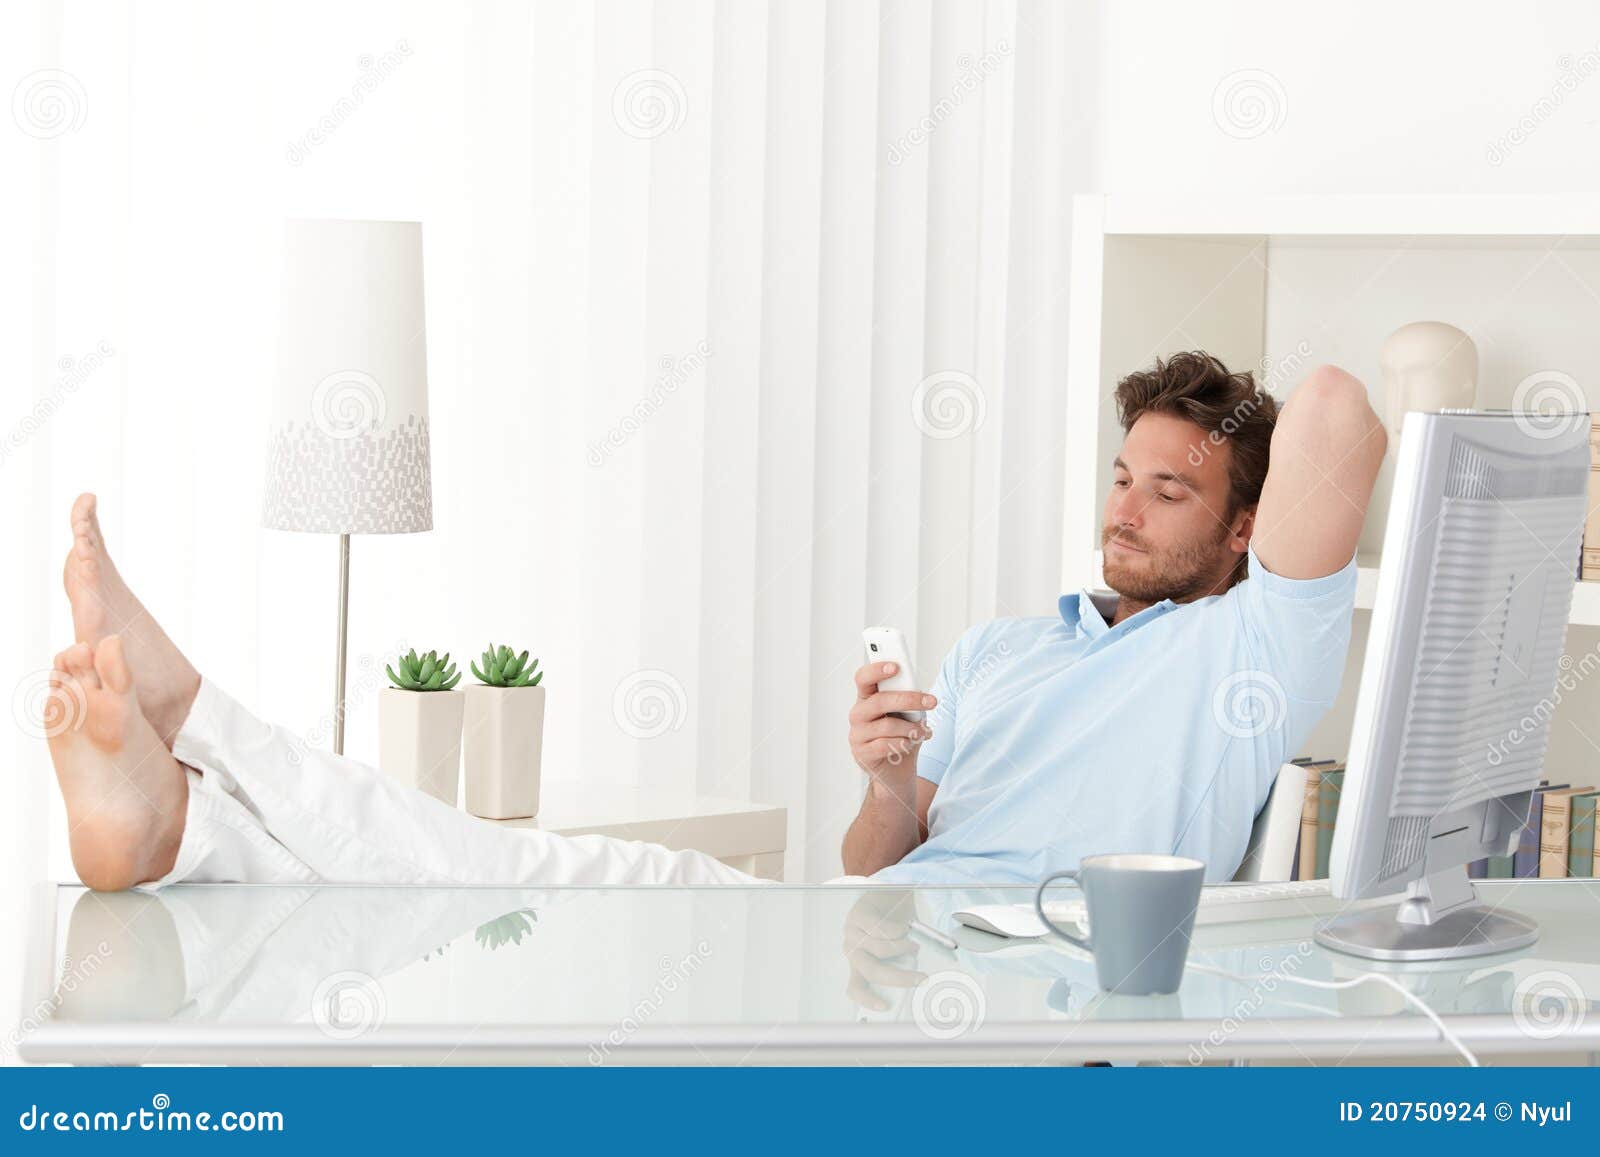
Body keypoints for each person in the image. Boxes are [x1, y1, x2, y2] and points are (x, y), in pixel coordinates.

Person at [44, 352, 1384, 892]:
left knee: (495, 887)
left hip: (974, 1001)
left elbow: (1334, 412)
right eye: (1122, 477)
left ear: (1248, 530)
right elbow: (875, 863)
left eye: (1174, 490)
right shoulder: (1005, 647)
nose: (1130, 512)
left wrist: (1239, 426)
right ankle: (185, 813)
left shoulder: (1243, 654)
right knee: (499, 874)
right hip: (856, 938)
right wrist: (888, 780)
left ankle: (190, 769)